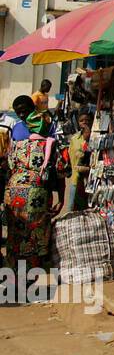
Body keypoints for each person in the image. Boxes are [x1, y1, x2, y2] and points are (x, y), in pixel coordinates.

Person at [4, 106, 60, 269]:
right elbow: (63, 171)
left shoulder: (18, 145)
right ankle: (30, 271)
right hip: (36, 192)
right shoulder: (50, 144)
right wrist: (61, 198)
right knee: (35, 231)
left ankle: (13, 269)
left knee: (15, 231)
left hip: (13, 192)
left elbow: (9, 165)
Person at [63, 110, 93, 214]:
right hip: (76, 179)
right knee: (72, 212)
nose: (84, 122)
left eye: (87, 120)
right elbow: (73, 158)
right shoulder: (75, 139)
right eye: (81, 121)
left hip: (92, 181)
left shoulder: (95, 138)